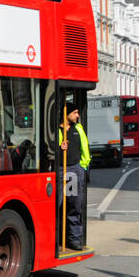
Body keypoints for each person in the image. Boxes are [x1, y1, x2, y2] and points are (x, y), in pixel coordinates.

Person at [58, 107, 91, 250]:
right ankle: (56, 239)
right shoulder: (56, 131)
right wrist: (59, 147)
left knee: (73, 205)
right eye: (75, 113)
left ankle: (74, 239)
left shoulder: (78, 129)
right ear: (66, 114)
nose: (77, 115)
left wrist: (82, 167)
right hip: (59, 171)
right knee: (58, 205)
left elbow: (85, 148)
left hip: (73, 171)